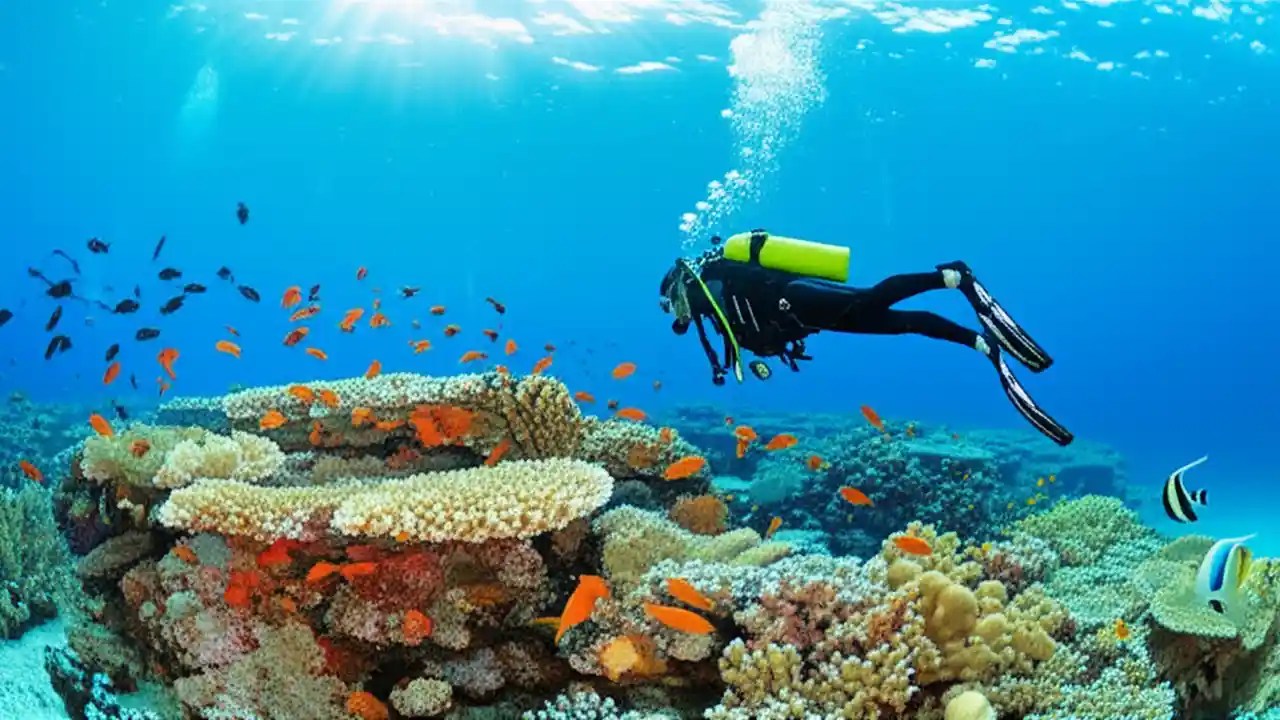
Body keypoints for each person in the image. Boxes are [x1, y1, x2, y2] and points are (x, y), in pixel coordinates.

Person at [658, 229, 1073, 446]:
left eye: (669, 303)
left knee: (872, 300)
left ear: (677, 287)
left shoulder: (700, 286)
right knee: (897, 323)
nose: (675, 314)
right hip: (802, 313)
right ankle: (980, 343)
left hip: (794, 299)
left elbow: (744, 323)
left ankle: (954, 276)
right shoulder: (709, 305)